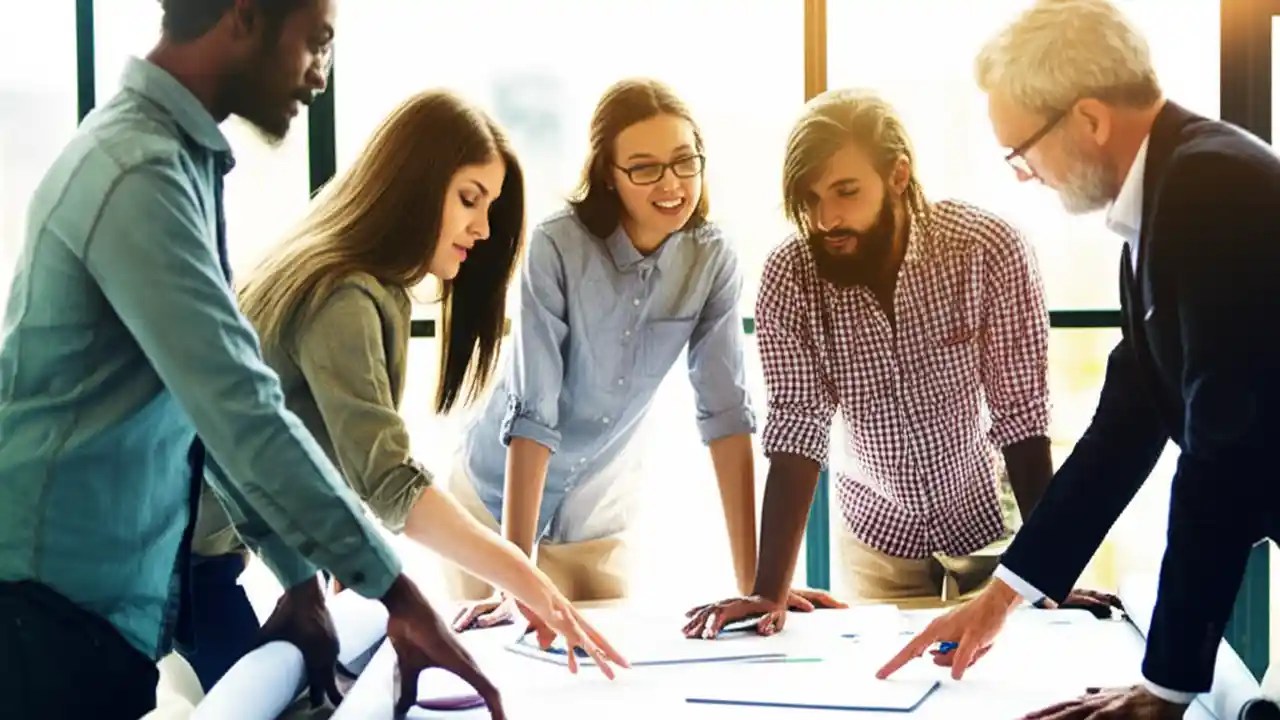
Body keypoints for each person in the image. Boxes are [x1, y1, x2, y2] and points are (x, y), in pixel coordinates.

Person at [0, 2, 501, 718]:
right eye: (316, 42)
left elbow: (203, 419)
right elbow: (241, 411)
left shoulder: (176, 162)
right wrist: (398, 593)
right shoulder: (137, 173)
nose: (320, 75)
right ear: (245, 17)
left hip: (89, 619)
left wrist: (298, 579)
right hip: (41, 615)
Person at [878, 2, 1280, 718]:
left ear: (1090, 119)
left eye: (1022, 151)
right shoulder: (1164, 201)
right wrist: (1002, 598)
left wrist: (1164, 691)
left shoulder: (1210, 188)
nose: (1024, 176)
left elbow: (1221, 454)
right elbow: (1124, 429)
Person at [187, 88, 626, 691]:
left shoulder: (368, 287)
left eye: (490, 207)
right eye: (469, 198)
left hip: (196, 561)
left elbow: (320, 466)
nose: (482, 228)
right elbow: (390, 483)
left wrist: (336, 575)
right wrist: (531, 584)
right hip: (161, 561)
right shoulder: (342, 294)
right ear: (414, 185)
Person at [684, 88, 1119, 639]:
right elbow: (797, 428)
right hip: (878, 540)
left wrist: (1051, 570)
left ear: (898, 174)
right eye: (810, 199)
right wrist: (767, 592)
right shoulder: (790, 277)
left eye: (846, 191)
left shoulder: (988, 249)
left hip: (994, 532)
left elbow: (1021, 418)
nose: (826, 219)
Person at [447, 77, 841, 630]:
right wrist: (516, 578)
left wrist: (757, 587)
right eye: (644, 168)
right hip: (494, 501)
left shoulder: (711, 259)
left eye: (684, 161)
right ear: (608, 174)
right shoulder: (557, 245)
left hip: (597, 515)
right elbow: (535, 410)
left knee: (604, 665)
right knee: (499, 657)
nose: (671, 183)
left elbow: (726, 416)